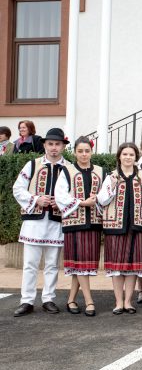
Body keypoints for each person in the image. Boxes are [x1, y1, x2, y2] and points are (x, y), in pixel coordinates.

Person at [12, 128, 69, 317]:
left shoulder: (68, 168)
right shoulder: (32, 165)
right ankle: (27, 300)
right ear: (44, 145)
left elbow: (74, 195)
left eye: (57, 144)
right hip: (34, 221)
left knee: (52, 264)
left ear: (63, 146)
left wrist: (61, 204)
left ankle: (48, 298)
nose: (54, 148)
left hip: (56, 221)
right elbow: (18, 188)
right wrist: (36, 199)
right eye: (50, 144)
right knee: (30, 264)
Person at [97, 142, 142, 315]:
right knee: (117, 267)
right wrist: (112, 186)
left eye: (131, 154)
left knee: (132, 267)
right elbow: (102, 200)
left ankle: (128, 301)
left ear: (136, 157)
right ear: (119, 157)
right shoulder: (111, 176)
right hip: (116, 227)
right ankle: (118, 302)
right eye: (125, 154)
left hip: (135, 227)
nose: (128, 157)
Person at [54, 136, 106, 317]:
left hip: (94, 223)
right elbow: (60, 195)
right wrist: (82, 203)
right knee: (81, 263)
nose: (84, 154)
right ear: (75, 152)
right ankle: (89, 301)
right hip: (74, 224)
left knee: (82, 264)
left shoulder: (100, 171)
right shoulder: (67, 171)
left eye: (87, 151)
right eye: (80, 151)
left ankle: (71, 299)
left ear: (91, 152)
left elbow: (105, 195)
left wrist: (97, 201)